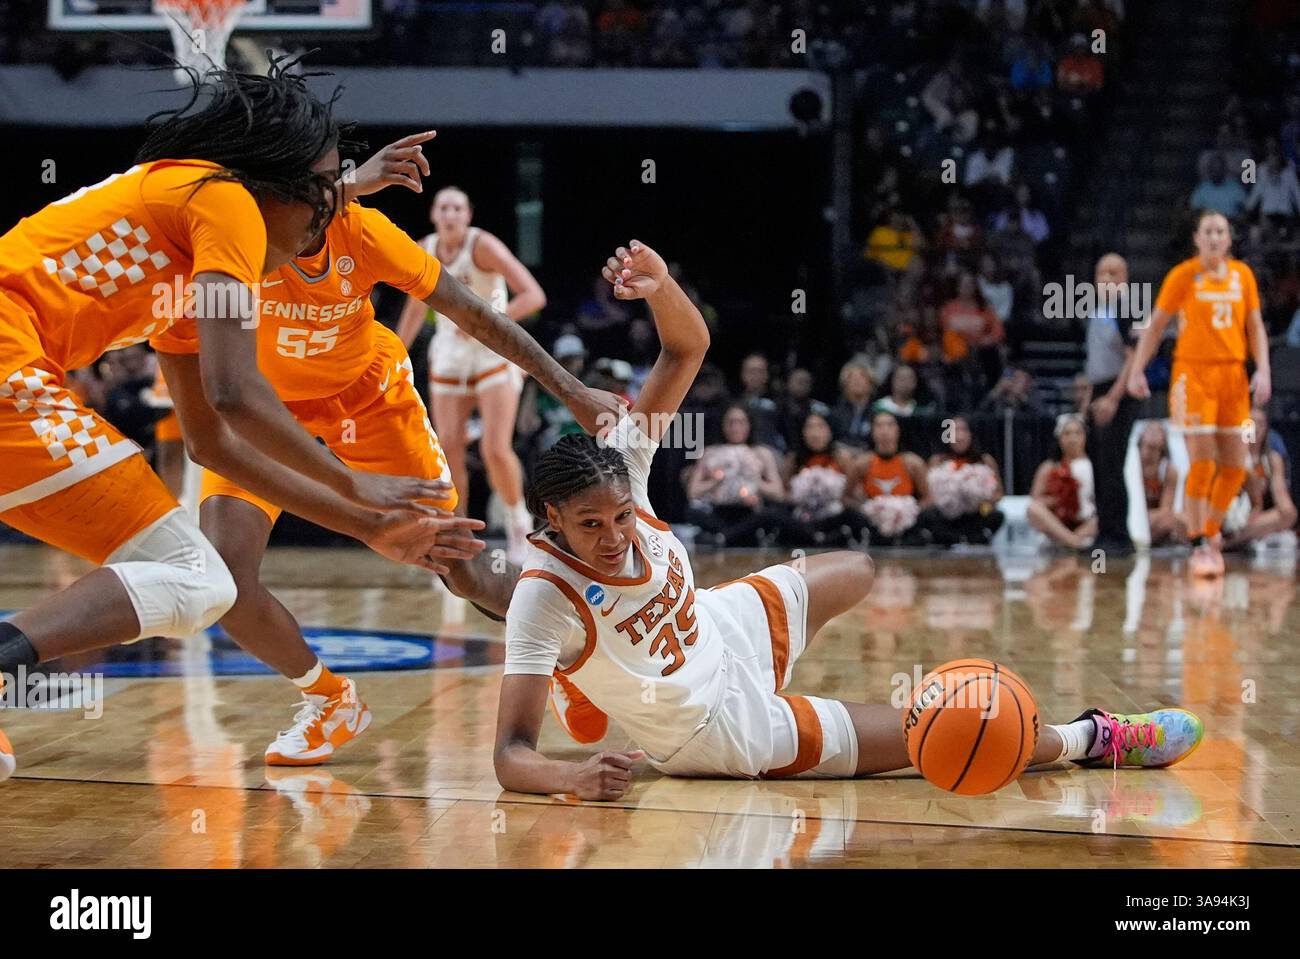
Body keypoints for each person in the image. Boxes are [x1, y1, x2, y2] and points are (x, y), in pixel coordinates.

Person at [491, 239, 1203, 798]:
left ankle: (592, 675)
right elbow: (510, 755)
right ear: (550, 517)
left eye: (622, 517)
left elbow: (687, 347)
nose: (615, 535)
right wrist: (570, 777)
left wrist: (660, 282)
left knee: (858, 568)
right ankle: (1093, 737)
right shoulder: (540, 598)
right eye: (592, 526)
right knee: (947, 731)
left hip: (718, 622)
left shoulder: (621, 466)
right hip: (718, 727)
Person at [0, 63, 482, 781]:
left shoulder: (191, 245)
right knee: (197, 577)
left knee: (203, 575)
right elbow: (236, 393)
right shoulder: (221, 202)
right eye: (319, 193)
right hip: (10, 365)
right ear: (276, 183)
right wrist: (352, 484)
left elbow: (210, 439)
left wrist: (363, 522)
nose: (327, 215)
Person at [169, 137, 622, 766]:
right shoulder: (234, 236)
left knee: (458, 565)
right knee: (225, 580)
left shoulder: (366, 231)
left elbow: (479, 315)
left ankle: (571, 649)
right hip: (267, 408)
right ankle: (330, 700)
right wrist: (350, 179)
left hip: (369, 399)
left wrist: (570, 390)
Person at [396, 186, 546, 563]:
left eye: (457, 208)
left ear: (467, 216)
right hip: (450, 352)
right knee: (448, 449)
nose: (450, 214)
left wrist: (487, 322)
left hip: (492, 349)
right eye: (443, 207)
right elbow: (415, 308)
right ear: (434, 215)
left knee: (494, 448)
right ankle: (454, 533)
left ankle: (518, 525)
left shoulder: (484, 246)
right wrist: (395, 351)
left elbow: (533, 295)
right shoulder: (423, 249)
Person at [1128, 210, 1271, 576]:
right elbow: (1157, 324)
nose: (1213, 237)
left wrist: (1264, 369)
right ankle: (1198, 543)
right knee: (1203, 462)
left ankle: (1210, 532)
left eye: (1219, 231)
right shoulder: (1184, 275)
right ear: (1197, 239)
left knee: (1237, 468)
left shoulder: (1243, 275)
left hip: (1234, 376)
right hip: (1193, 376)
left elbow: (1254, 325)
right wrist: (1137, 369)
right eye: (1207, 231)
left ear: (1229, 239)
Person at [1083, 252, 1142, 549]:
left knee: (1112, 463)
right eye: (1101, 273)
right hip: (1098, 389)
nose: (1105, 280)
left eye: (1113, 274)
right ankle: (1104, 531)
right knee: (1098, 461)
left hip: (1118, 390)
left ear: (1125, 278)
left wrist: (1113, 399)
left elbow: (1134, 357)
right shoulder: (1097, 309)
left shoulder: (1128, 306)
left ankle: (1119, 535)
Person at [685, 405, 799, 548]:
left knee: (770, 514)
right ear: (723, 425)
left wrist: (756, 481)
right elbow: (693, 492)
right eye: (731, 422)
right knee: (692, 512)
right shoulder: (710, 452)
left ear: (749, 425)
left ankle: (722, 538)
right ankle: (727, 536)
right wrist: (716, 480)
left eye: (741, 422)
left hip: (749, 514)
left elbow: (778, 493)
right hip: (719, 511)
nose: (735, 428)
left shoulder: (761, 453)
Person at [846, 410, 930, 545]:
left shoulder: (913, 463)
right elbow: (846, 497)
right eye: (879, 426)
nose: (884, 431)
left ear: (898, 430)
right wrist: (866, 510)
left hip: (907, 529)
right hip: (873, 528)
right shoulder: (862, 464)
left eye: (890, 425)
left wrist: (910, 513)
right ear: (872, 431)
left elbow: (928, 498)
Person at [1222, 408, 1297, 551]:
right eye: (1250, 423)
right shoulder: (1229, 456)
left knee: (1288, 513)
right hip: (1229, 515)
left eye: (1261, 423)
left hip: (1256, 518)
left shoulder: (1272, 458)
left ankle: (1228, 544)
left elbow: (1282, 499)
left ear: (1267, 429)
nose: (1255, 428)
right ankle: (1228, 541)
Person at [925, 415, 1004, 545]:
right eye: (954, 431)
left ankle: (974, 537)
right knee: (928, 515)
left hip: (975, 514)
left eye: (964, 430)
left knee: (996, 515)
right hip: (946, 516)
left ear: (971, 434)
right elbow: (928, 495)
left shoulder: (985, 461)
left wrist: (979, 496)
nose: (959, 436)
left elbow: (998, 494)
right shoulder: (937, 461)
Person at [1027, 413, 1097, 550]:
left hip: (1087, 522)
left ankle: (1073, 539)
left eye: (1078, 433)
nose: (1073, 439)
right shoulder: (1049, 467)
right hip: (1058, 522)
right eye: (1067, 434)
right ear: (1059, 438)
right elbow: (1036, 500)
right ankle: (1073, 541)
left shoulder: (1095, 465)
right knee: (1033, 509)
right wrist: (1060, 498)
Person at [1136, 422, 1181, 546]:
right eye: (1150, 430)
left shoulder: (1168, 470)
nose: (1153, 434)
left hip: (1153, 519)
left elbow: (1165, 509)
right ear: (1142, 435)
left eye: (1158, 431)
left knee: (1172, 521)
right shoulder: (1131, 464)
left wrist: (1144, 519)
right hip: (1132, 516)